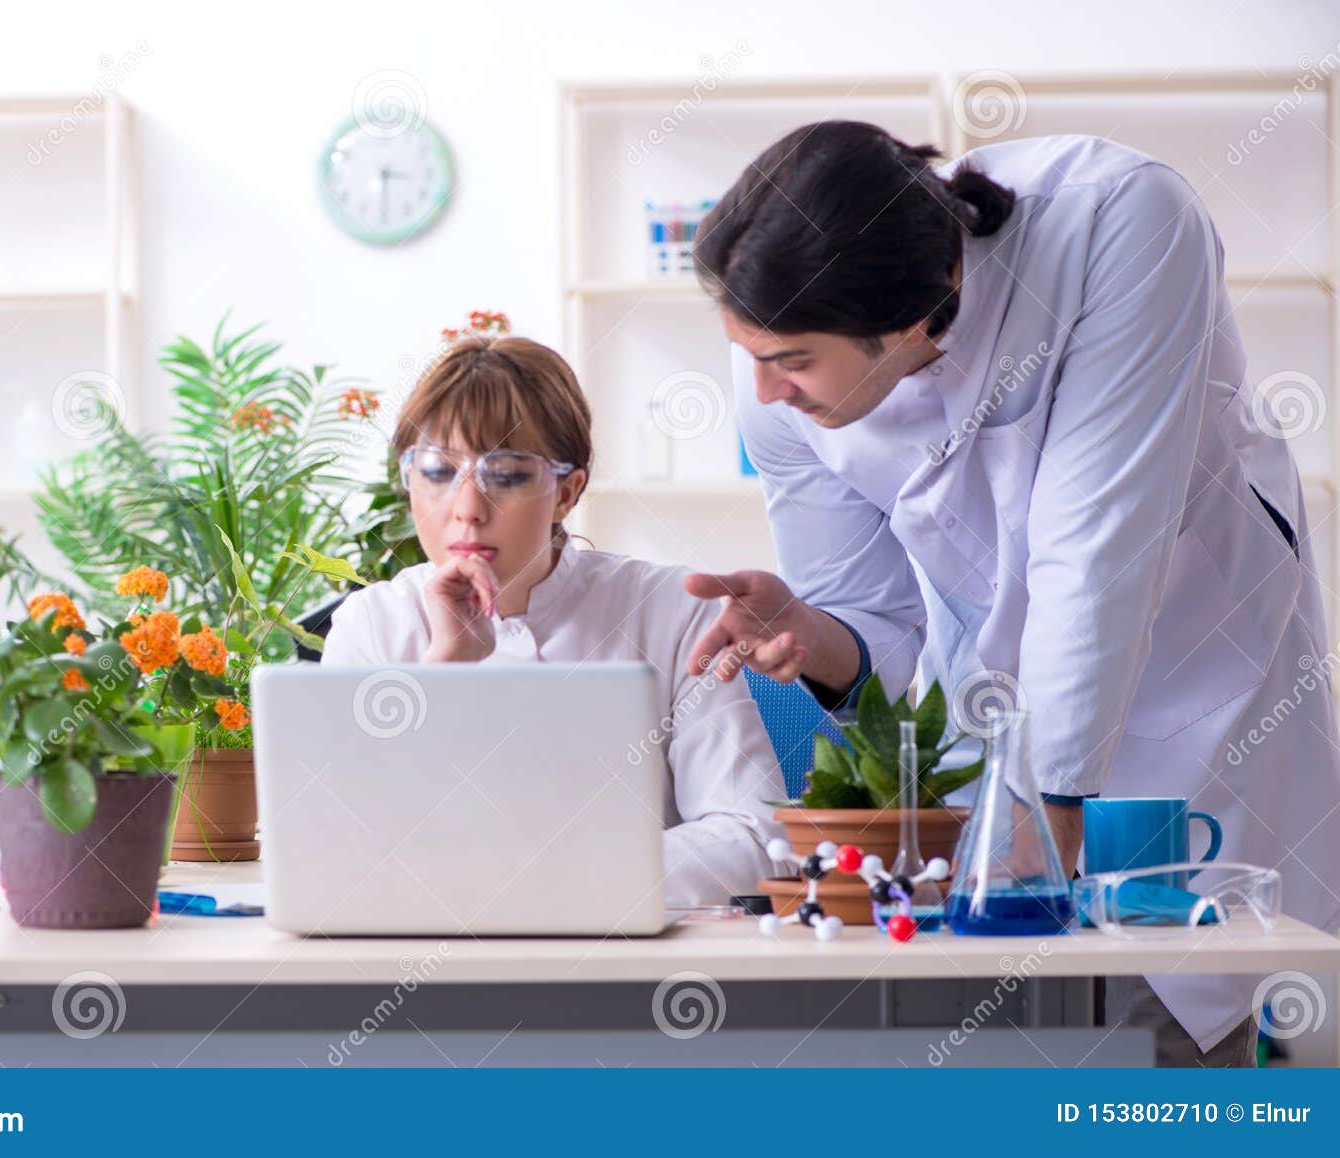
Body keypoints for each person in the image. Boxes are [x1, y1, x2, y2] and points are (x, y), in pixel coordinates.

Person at [686, 120, 1340, 1065]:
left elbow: (1096, 552)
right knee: (1010, 1060)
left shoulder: (1117, 220)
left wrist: (1047, 815)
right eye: (750, 354)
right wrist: (810, 633)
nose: (763, 392)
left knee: (1176, 1023)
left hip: (1201, 668)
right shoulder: (779, 380)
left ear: (918, 315)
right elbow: (886, 631)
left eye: (792, 361)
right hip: (1000, 720)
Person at [321, 335, 785, 906]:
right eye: (438, 471)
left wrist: (555, 879)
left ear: (567, 492)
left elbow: (753, 837)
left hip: (622, 959)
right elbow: (342, 850)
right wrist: (443, 673)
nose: (467, 507)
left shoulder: (669, 611)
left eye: (509, 475)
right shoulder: (371, 626)